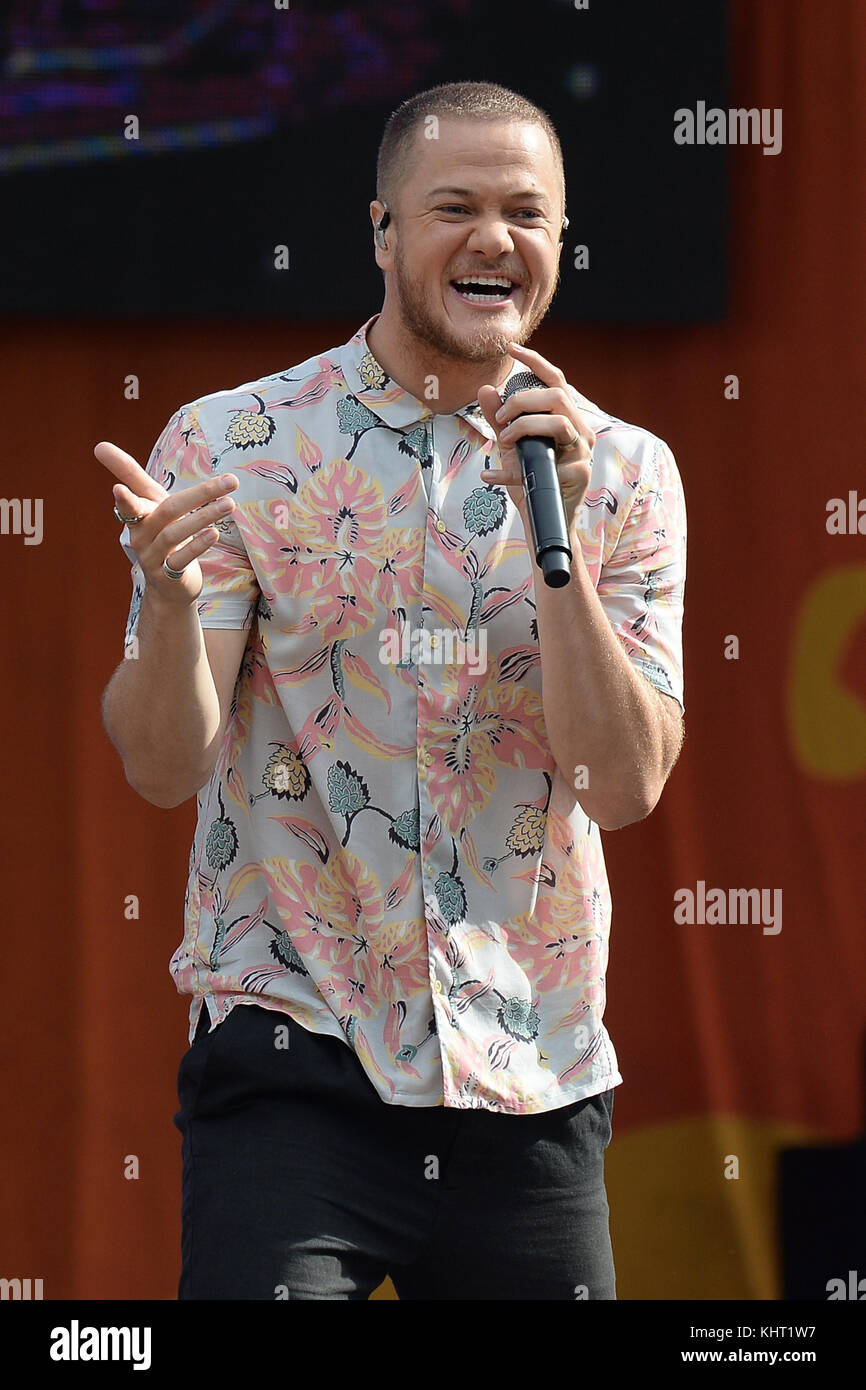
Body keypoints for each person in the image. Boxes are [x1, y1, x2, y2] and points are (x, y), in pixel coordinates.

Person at [97, 80, 686, 1301]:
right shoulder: (234, 446)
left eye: (526, 213)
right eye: (453, 206)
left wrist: (558, 538)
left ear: (559, 243)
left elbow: (622, 787)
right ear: (380, 231)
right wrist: (163, 606)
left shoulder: (624, 472)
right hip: (293, 1054)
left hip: (528, 1069)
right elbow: (161, 766)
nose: (493, 238)